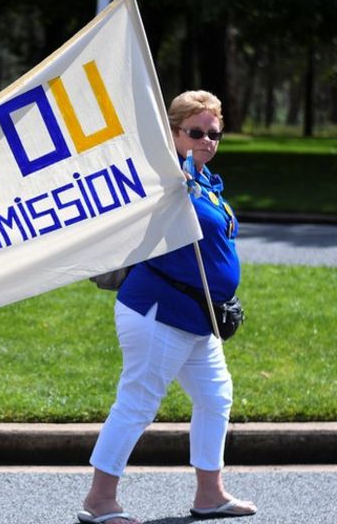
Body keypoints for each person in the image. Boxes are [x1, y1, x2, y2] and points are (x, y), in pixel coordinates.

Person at [77, 91, 256, 524]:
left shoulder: (205, 181)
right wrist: (175, 176)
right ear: (173, 133)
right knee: (138, 402)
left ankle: (210, 494)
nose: (207, 141)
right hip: (157, 310)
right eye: (195, 132)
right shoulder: (162, 179)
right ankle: (100, 500)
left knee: (216, 398)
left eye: (214, 133)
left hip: (199, 319)